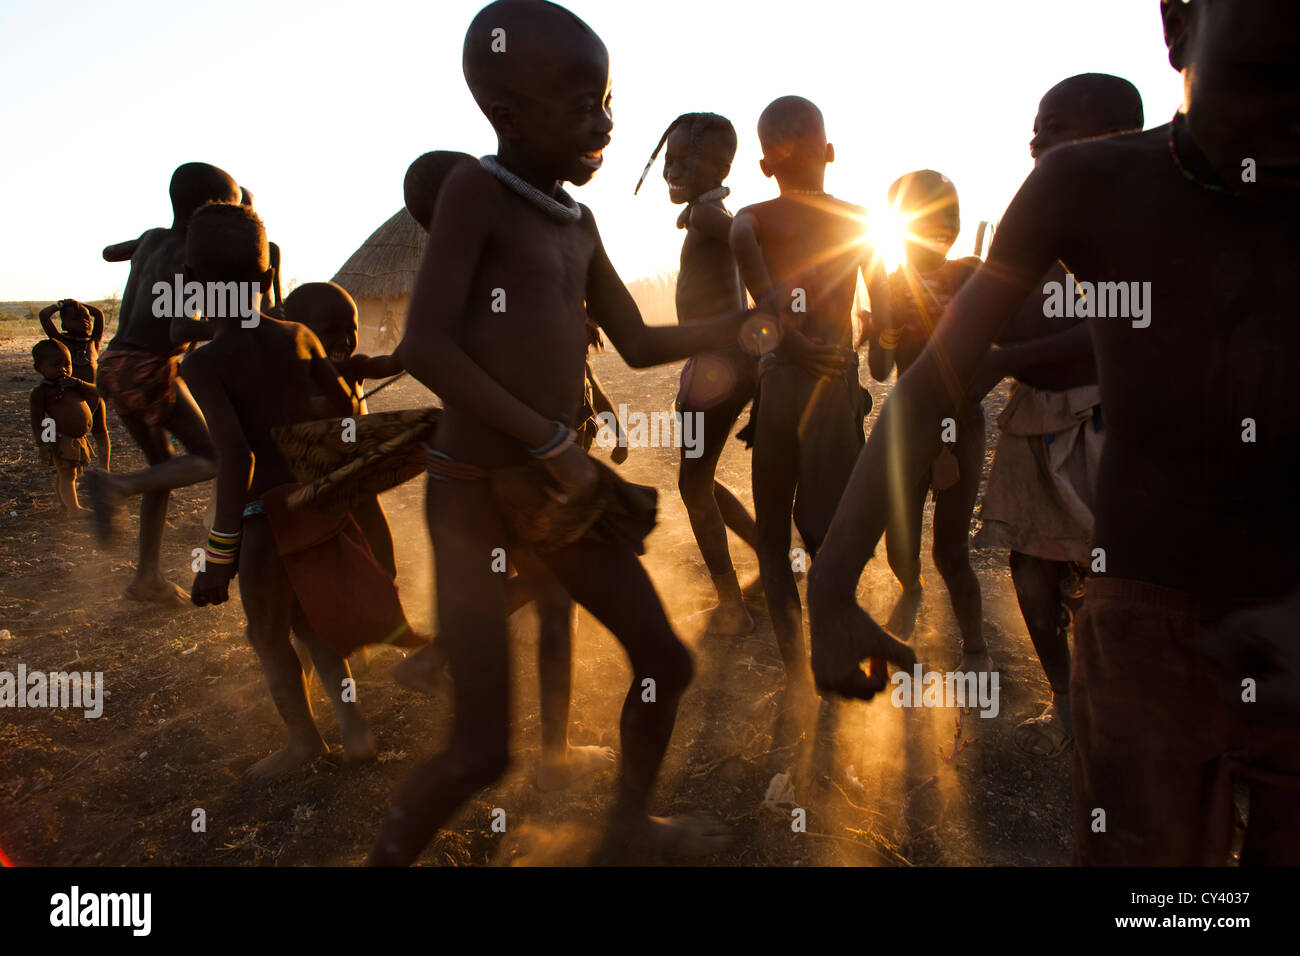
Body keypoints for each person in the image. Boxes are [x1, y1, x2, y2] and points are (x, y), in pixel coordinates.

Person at [808, 0, 1300, 866]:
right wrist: (830, 590)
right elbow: (921, 391)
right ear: (1180, 26)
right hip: (1148, 623)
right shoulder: (1094, 186)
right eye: (1264, 79)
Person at [368, 0, 763, 865]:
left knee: (667, 659)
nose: (606, 123)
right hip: (474, 499)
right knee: (481, 752)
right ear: (507, 116)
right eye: (582, 105)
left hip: (558, 495)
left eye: (609, 100)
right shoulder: (476, 191)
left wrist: (745, 327)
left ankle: (626, 825)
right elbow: (426, 346)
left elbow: (638, 339)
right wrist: (547, 441)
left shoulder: (577, 223)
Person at [184, 202, 409, 779]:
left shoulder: (206, 363)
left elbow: (237, 457)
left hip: (265, 520)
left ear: (192, 289)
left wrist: (218, 556)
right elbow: (343, 421)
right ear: (266, 281)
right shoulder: (301, 337)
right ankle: (356, 732)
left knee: (268, 635)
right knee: (317, 628)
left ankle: (303, 742)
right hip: (321, 507)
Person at [969, 73, 1145, 756]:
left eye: (1056, 127)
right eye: (1037, 127)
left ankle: (1123, 712)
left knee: (1116, 579)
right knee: (1032, 572)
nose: (1036, 139)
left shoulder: (1131, 218)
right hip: (1035, 417)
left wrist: (996, 359)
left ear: (1116, 137)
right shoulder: (1040, 217)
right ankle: (1067, 703)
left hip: (1104, 421)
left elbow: (1113, 328)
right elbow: (1004, 307)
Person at [728, 94, 893, 714]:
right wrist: (872, 344)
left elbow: (758, 294)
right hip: (834, 391)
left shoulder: (753, 216)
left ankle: (796, 677)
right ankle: (832, 657)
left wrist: (788, 339)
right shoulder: (861, 221)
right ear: (829, 153)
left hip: (779, 389)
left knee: (772, 540)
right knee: (830, 539)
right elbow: (885, 328)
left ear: (766, 165)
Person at [89, 162, 241, 603]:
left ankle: (146, 578)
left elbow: (109, 253)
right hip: (150, 367)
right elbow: (179, 329)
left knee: (163, 465)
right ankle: (118, 485)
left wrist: (137, 248)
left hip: (113, 362)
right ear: (210, 214)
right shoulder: (193, 258)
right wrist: (240, 323)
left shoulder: (154, 238)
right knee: (213, 456)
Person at [638, 112, 762, 633]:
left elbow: (747, 240)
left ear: (721, 166)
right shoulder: (707, 215)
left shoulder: (715, 218)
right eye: (667, 161)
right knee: (700, 480)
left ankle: (732, 606)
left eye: (684, 161)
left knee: (693, 485)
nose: (672, 171)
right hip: (729, 361)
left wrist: (768, 308)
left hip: (718, 367)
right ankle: (768, 557)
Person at [863, 170, 987, 670]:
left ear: (954, 226)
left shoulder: (971, 274)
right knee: (901, 550)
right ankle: (910, 590)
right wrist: (882, 311)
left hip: (961, 424)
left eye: (945, 219)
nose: (937, 229)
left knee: (952, 552)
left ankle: (976, 649)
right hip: (908, 426)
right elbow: (878, 369)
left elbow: (989, 354)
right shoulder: (891, 284)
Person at [30, 340, 101, 511]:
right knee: (67, 474)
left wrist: (80, 383)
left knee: (66, 474)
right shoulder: (41, 393)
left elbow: (99, 392)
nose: (63, 369)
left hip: (77, 439)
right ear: (39, 368)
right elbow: (37, 421)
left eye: (67, 364)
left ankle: (65, 506)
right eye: (56, 365)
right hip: (61, 439)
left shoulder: (73, 385)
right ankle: (73, 509)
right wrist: (43, 444)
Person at [37, 298, 109, 467]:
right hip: (71, 398)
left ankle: (105, 467)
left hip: (93, 394)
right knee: (72, 432)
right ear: (64, 325)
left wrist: (80, 304)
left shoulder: (93, 342)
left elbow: (98, 315)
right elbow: (44, 316)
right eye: (76, 318)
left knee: (101, 431)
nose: (84, 321)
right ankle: (71, 466)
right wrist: (60, 306)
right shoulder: (61, 343)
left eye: (86, 318)